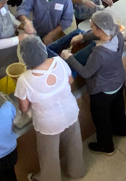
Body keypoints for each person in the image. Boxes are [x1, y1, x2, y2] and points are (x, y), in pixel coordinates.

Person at [15, 36, 85, 181]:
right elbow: (70, 80)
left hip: (48, 123)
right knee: (74, 144)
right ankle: (77, 171)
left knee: (49, 154)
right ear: (42, 49)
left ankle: (49, 178)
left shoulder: (24, 80)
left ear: (24, 58)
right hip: (70, 111)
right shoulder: (59, 61)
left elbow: (23, 107)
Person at [61, 10, 126, 155]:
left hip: (103, 91)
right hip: (119, 80)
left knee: (101, 119)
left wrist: (69, 57)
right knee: (118, 107)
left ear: (100, 29)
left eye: (92, 27)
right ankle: (122, 130)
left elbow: (85, 72)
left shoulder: (99, 54)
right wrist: (82, 37)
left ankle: (106, 147)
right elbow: (101, 33)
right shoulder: (118, 34)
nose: (91, 28)